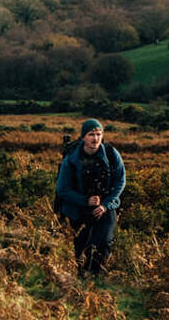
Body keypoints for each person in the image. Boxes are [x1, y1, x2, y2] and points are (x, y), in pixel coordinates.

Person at [54, 117, 125, 278]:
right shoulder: (71, 159)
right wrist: (85, 201)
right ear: (83, 137)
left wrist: (105, 205)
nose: (95, 138)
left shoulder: (111, 154)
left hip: (105, 206)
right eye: (91, 134)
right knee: (81, 245)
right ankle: (81, 276)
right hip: (78, 208)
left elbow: (120, 181)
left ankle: (95, 276)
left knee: (104, 241)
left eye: (98, 134)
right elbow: (62, 189)